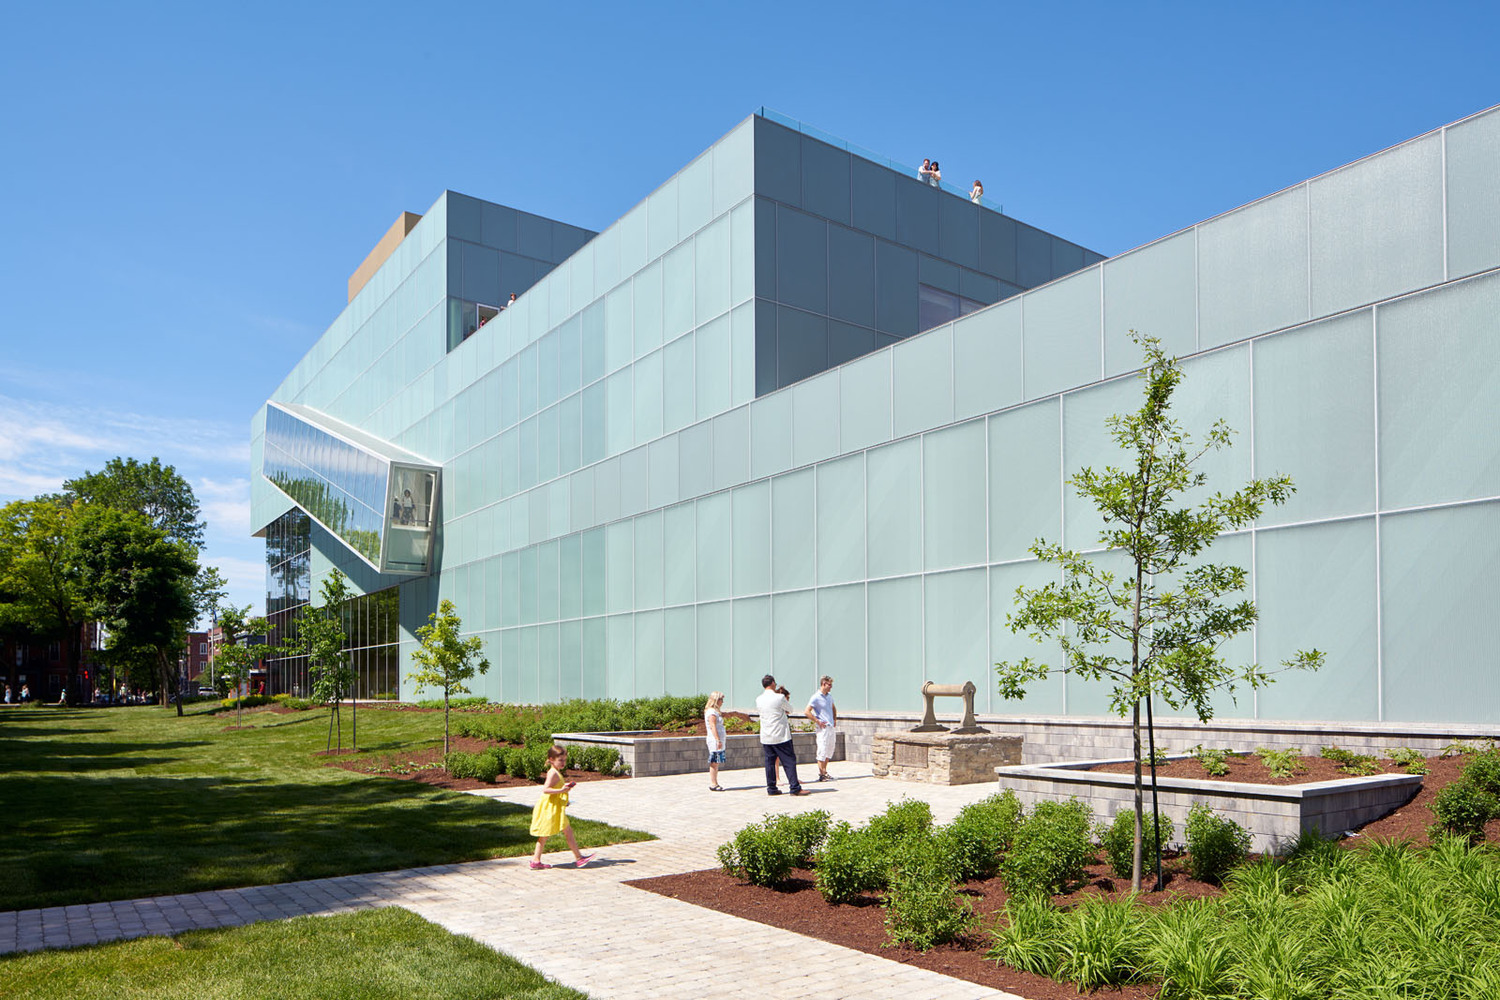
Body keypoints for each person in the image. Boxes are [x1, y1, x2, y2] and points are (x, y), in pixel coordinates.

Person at [529, 745, 596, 869]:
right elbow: (546, 789)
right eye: (560, 760)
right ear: (551, 759)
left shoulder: (556, 772)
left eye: (564, 760)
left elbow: (554, 788)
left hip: (554, 807)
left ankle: (536, 861)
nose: (563, 763)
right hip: (549, 808)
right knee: (548, 834)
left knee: (556, 833)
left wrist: (563, 789)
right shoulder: (552, 773)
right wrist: (561, 790)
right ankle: (579, 858)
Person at [756, 675, 807, 796]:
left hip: (766, 736)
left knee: (769, 763)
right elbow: (790, 709)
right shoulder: (779, 697)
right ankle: (795, 788)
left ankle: (772, 788)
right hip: (780, 735)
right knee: (789, 761)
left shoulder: (758, 699)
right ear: (773, 683)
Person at [806, 675, 838, 782]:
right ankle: (821, 774)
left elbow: (833, 708)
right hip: (822, 729)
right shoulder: (815, 697)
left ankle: (825, 771)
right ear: (824, 684)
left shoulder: (829, 696)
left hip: (830, 727)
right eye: (829, 685)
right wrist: (818, 721)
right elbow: (807, 711)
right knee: (822, 749)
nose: (831, 687)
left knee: (829, 749)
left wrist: (834, 719)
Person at [704, 691, 727, 791]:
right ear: (716, 700)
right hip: (714, 741)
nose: (722, 702)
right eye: (721, 699)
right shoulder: (711, 712)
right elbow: (713, 726)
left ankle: (715, 782)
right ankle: (713, 783)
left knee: (716, 761)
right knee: (714, 761)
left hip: (718, 740)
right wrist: (718, 740)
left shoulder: (715, 712)